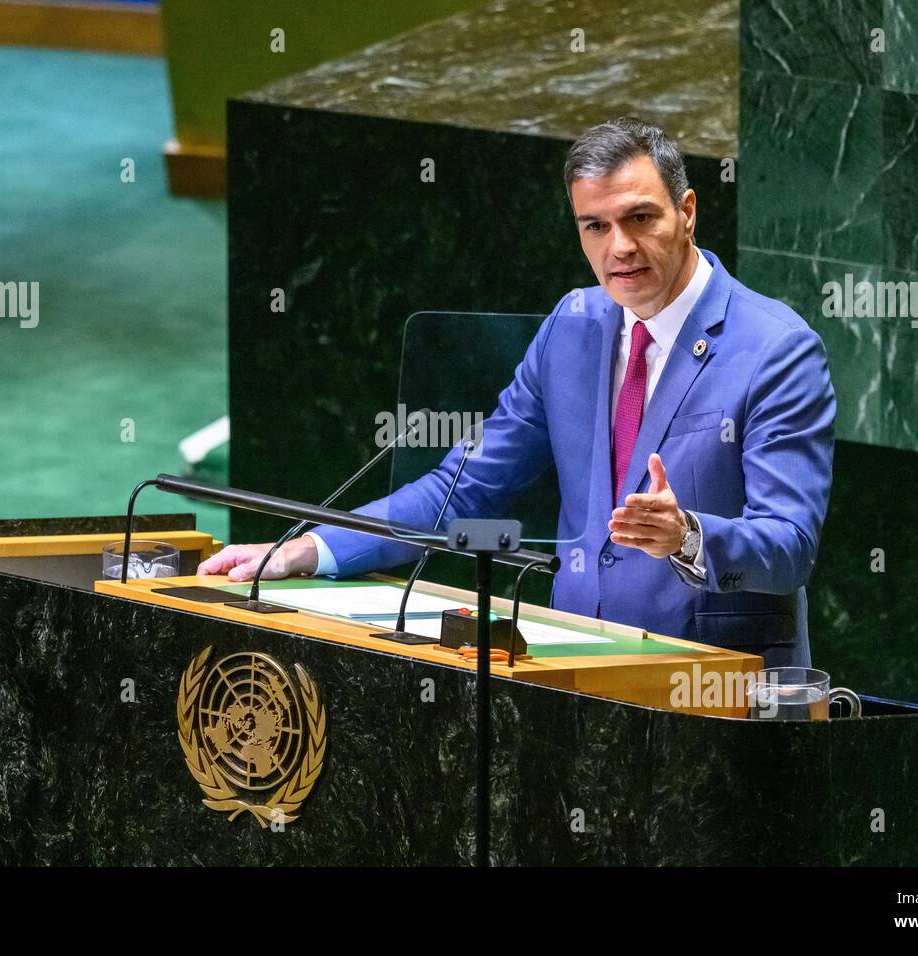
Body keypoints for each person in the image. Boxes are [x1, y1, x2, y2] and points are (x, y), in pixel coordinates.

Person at [200, 117, 836, 667]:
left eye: (640, 218)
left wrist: (689, 536)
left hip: (719, 684)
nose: (619, 247)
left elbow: (790, 546)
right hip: (577, 667)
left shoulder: (774, 349)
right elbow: (466, 488)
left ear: (688, 210)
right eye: (594, 226)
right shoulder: (573, 327)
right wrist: (310, 548)